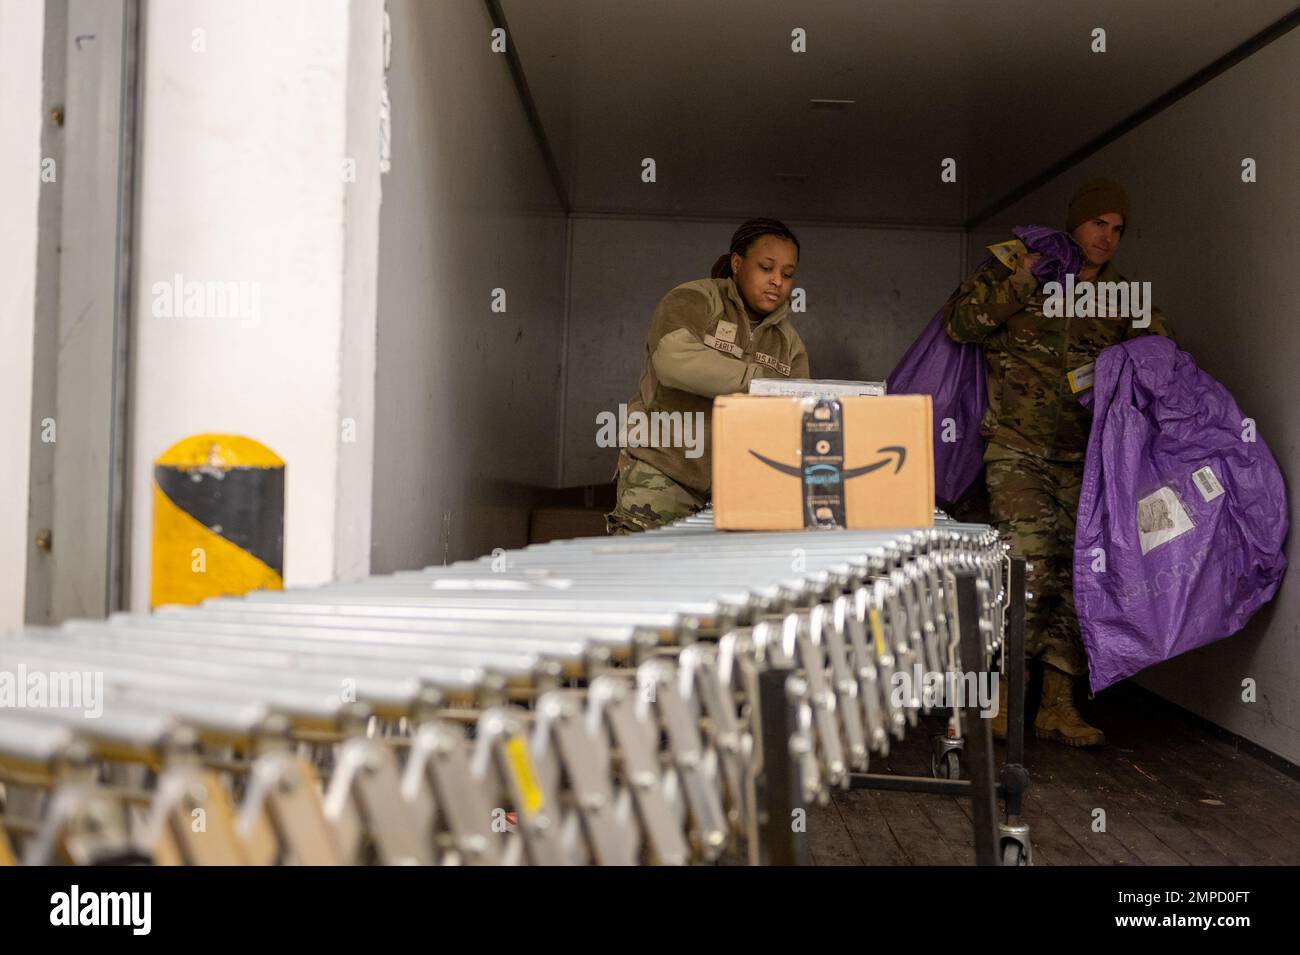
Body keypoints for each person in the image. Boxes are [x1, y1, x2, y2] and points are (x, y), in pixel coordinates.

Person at [942, 179, 1174, 747]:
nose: (1108, 238)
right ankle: (1000, 699)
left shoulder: (1124, 294)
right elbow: (962, 323)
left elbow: (1161, 363)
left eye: (1118, 229)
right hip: (1017, 447)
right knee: (1026, 567)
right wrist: (1026, 276)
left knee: (1080, 574)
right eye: (1100, 224)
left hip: (1088, 462)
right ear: (1076, 223)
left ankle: (1056, 706)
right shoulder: (1024, 267)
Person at [606, 218, 810, 533]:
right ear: (738, 263)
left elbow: (799, 413)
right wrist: (758, 382)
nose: (776, 281)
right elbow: (673, 359)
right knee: (643, 574)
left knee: (720, 579)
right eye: (766, 267)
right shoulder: (695, 299)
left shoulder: (790, 344)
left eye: (787, 274)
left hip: (737, 491)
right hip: (664, 474)